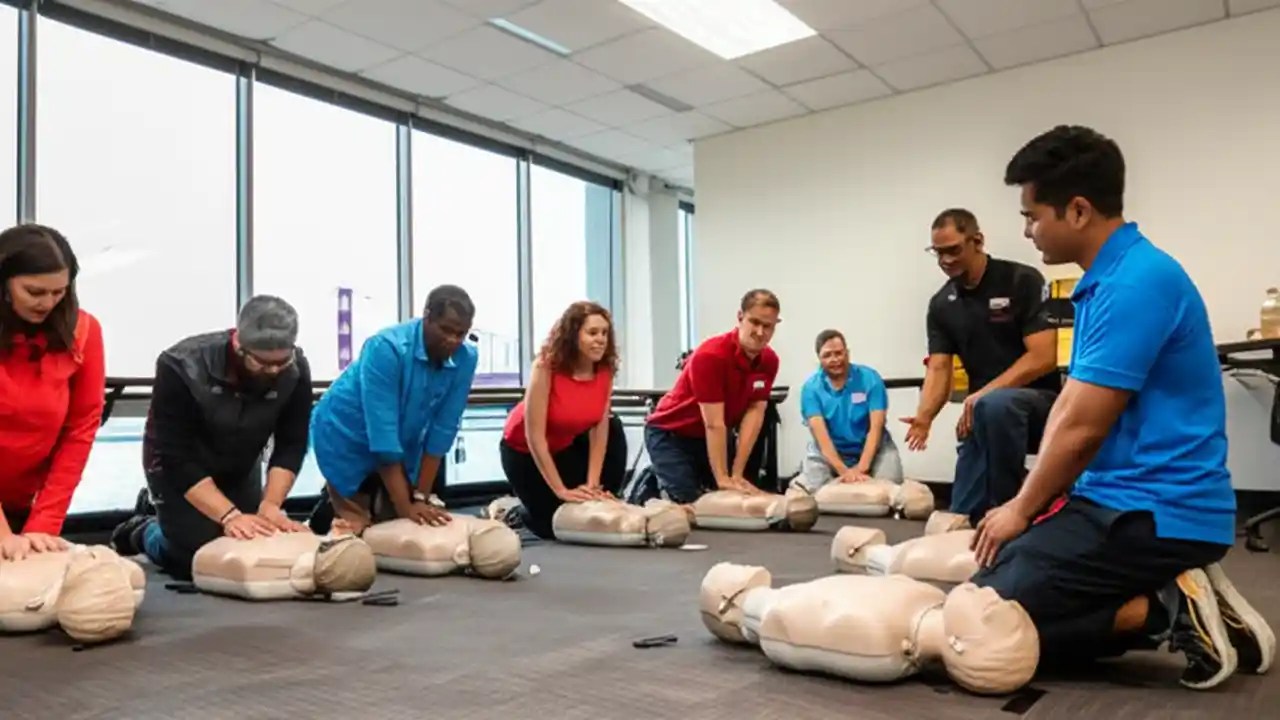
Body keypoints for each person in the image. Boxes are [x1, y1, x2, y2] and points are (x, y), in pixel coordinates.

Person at [969, 124, 1272, 690]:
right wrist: (1032, 505)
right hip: (1116, 502)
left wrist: (1019, 510)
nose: (1027, 230)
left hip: (1158, 513)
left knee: (982, 621)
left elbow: (1082, 431)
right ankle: (1182, 602)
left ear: (1078, 210)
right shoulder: (1102, 282)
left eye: (1032, 215)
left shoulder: (1136, 282)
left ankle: (1165, 607)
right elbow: (1068, 412)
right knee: (986, 593)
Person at [109, 296, 312, 579]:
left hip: (240, 460)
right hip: (177, 465)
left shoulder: (296, 367)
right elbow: (176, 456)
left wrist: (271, 505)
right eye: (263, 364)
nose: (274, 371)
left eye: (281, 362)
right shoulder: (180, 364)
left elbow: (292, 442)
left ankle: (172, 518)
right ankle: (141, 529)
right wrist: (229, 515)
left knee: (248, 542)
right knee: (194, 558)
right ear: (239, 346)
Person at [900, 207, 1060, 525]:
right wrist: (924, 417)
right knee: (960, 517)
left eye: (953, 250)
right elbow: (939, 368)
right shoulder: (941, 305)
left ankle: (1012, 512)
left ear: (977, 241)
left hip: (1040, 404)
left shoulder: (1021, 280)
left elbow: (1044, 357)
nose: (946, 261)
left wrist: (982, 395)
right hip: (983, 413)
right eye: (938, 253)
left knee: (996, 404)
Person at [307, 284, 478, 535]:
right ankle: (332, 508)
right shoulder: (385, 348)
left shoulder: (466, 358)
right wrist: (405, 507)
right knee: (362, 529)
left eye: (460, 334)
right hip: (345, 433)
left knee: (398, 524)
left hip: (403, 438)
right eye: (445, 330)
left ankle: (351, 504)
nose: (452, 340)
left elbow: (444, 428)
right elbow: (383, 434)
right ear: (427, 316)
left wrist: (420, 497)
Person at [0, 224, 105, 561]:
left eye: (58, 292)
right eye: (34, 291)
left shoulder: (84, 332)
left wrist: (44, 524)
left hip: (21, 505)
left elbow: (80, 430)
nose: (48, 302)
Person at [626, 289, 780, 505]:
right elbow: (714, 424)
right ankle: (651, 483)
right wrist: (722, 479)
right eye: (754, 322)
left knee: (731, 495)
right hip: (670, 434)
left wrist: (736, 474)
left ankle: (669, 477)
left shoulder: (770, 361)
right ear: (740, 317)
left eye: (768, 326)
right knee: (691, 501)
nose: (760, 332)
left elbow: (755, 414)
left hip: (705, 439)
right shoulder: (711, 356)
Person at [497, 301, 626, 539]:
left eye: (605, 333)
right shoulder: (546, 366)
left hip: (565, 446)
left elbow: (600, 427)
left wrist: (592, 485)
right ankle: (510, 510)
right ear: (573, 335)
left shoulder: (604, 369)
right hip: (524, 451)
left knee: (582, 512)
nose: (600, 339)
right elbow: (534, 437)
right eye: (592, 333)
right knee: (551, 526)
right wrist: (559, 489)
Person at [793, 329, 903, 494]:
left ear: (847, 353)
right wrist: (844, 472)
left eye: (839, 353)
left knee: (888, 491)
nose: (835, 360)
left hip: (875, 448)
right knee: (811, 492)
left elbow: (876, 428)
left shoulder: (870, 379)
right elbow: (822, 438)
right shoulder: (811, 389)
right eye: (827, 355)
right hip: (829, 451)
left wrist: (861, 469)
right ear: (819, 359)